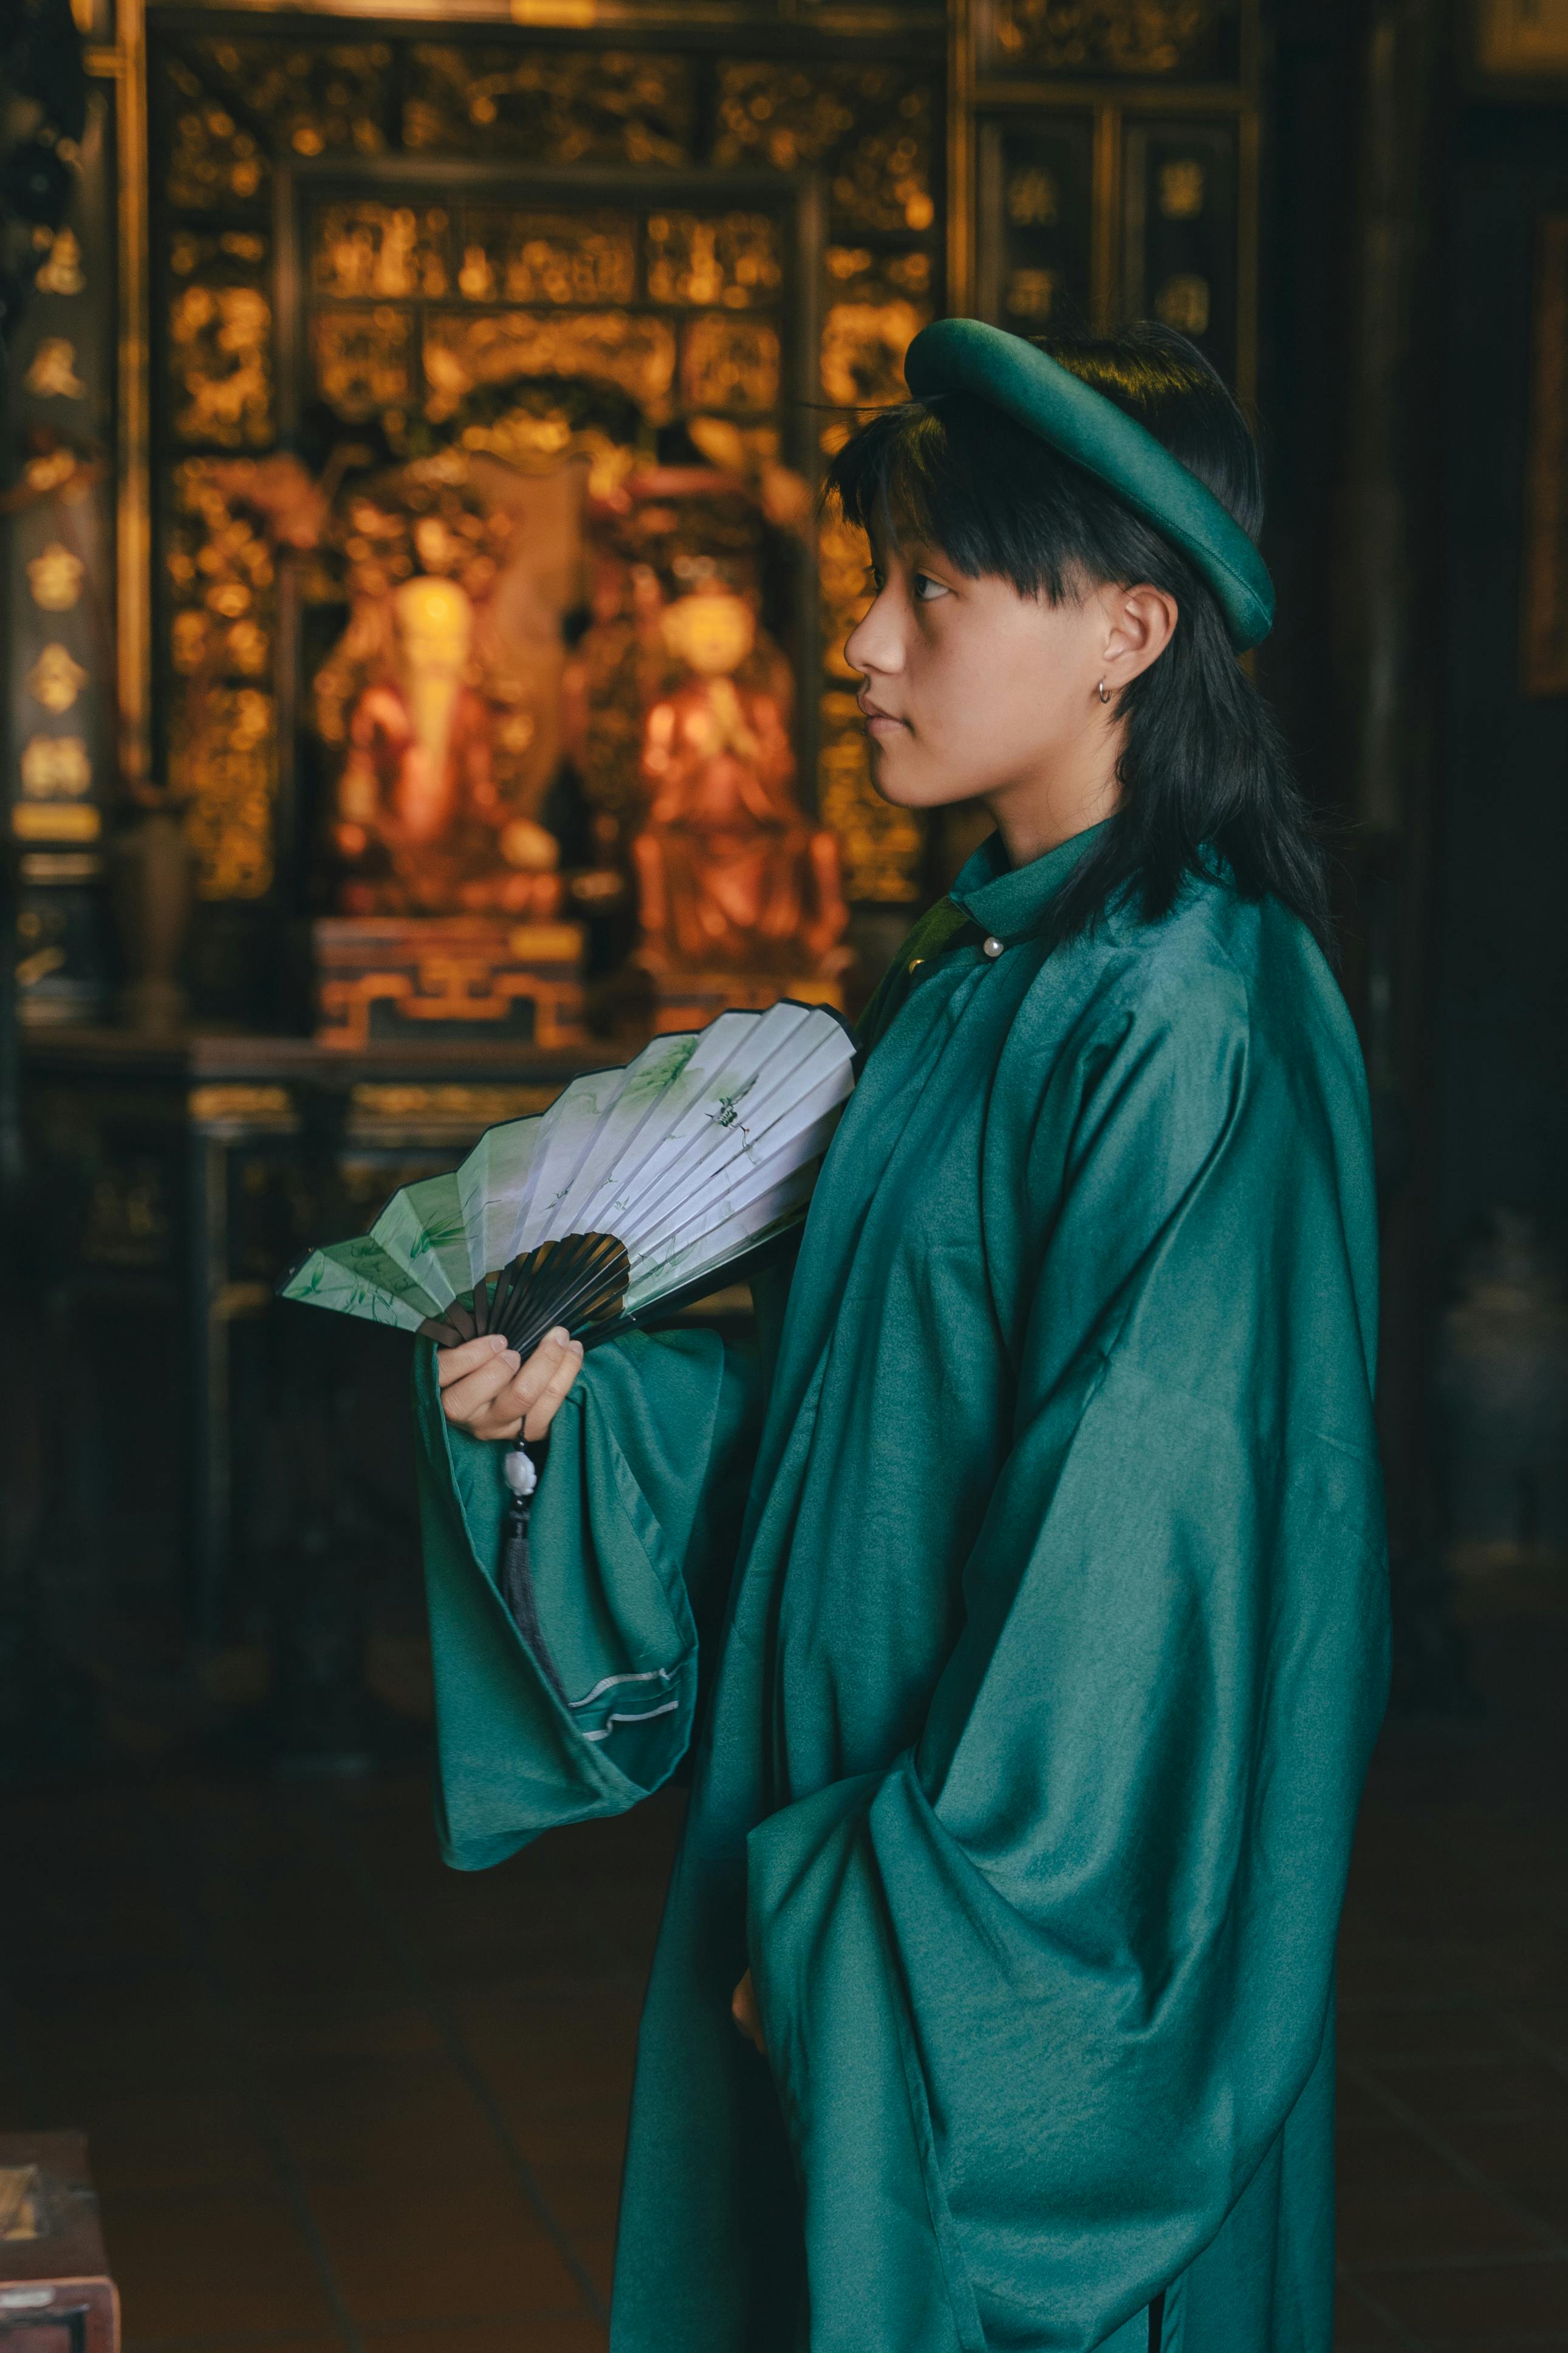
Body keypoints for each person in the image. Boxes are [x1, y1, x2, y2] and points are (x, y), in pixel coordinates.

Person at [416, 319, 1389, 2353]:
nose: (859, 643)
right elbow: (869, 1411)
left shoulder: (1194, 1012)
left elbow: (1156, 1553)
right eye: (879, 587)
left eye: (928, 590)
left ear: (1129, 629)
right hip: (830, 1825)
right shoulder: (971, 973)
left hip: (968, 1909)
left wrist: (896, 1932)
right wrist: (590, 1417)